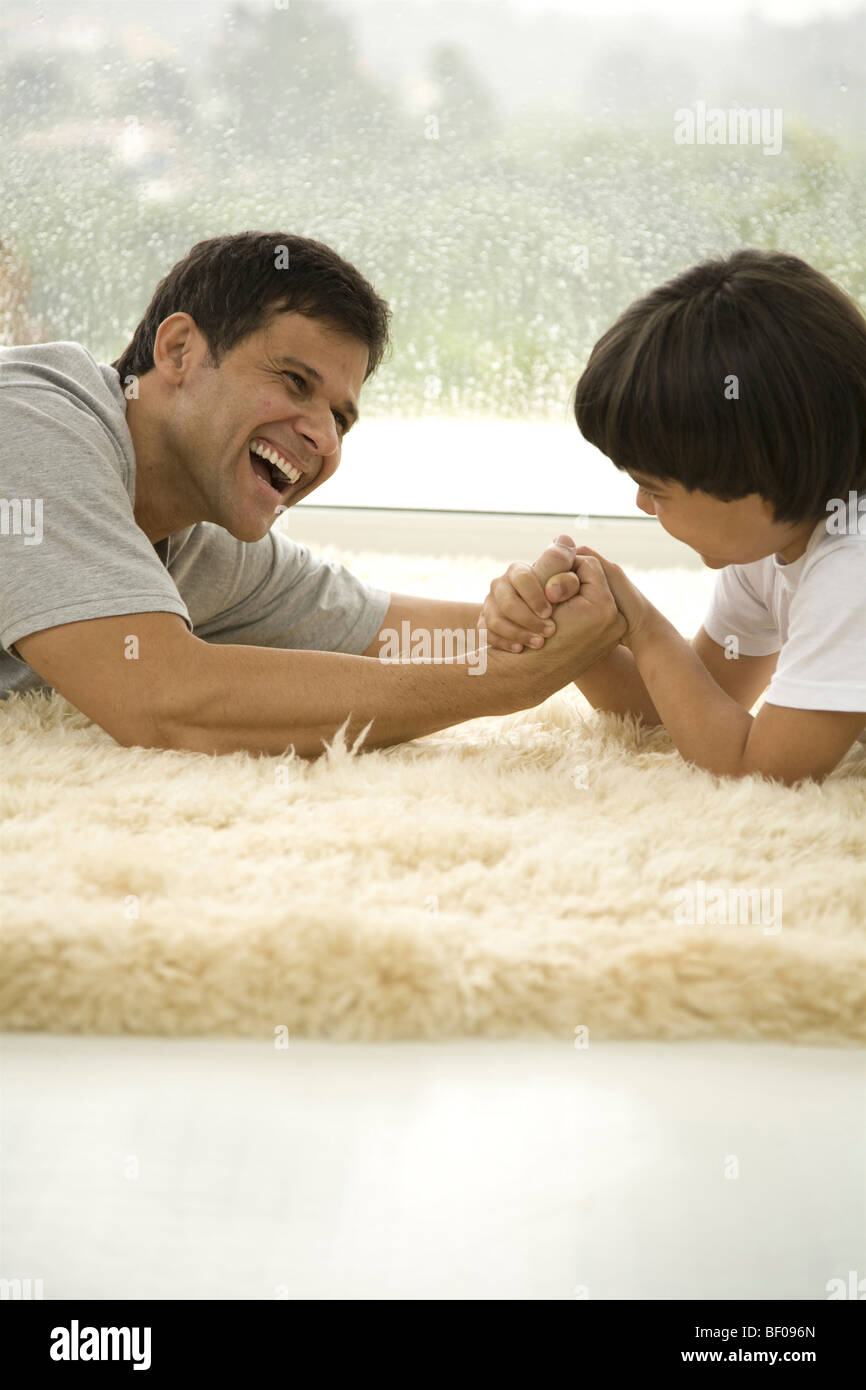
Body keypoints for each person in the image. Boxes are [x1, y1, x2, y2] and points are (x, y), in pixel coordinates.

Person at [0, 231, 625, 756]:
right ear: (178, 350)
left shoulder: (206, 541)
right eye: (296, 381)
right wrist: (503, 683)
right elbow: (159, 697)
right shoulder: (30, 423)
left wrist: (566, 628)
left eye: (342, 419)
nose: (324, 439)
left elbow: (388, 630)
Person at [478, 249, 866, 785]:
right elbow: (673, 712)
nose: (641, 503)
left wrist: (642, 624)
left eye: (653, 488)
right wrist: (577, 628)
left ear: (762, 479)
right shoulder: (770, 545)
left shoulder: (853, 567)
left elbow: (757, 770)